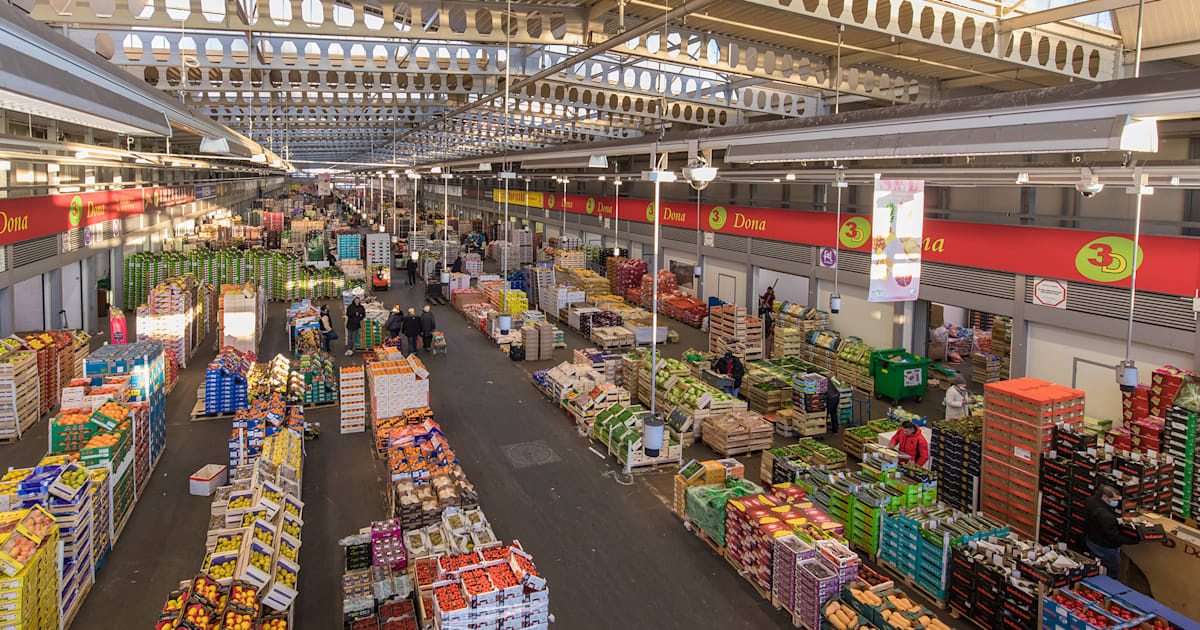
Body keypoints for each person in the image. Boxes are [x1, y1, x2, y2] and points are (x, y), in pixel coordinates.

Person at [1085, 485, 1138, 579]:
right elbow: (1114, 536)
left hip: (1092, 540)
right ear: (1104, 497)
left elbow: (1102, 521)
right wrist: (1135, 540)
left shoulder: (1092, 500)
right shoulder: (1104, 515)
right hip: (1105, 547)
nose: (1116, 502)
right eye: (1114, 500)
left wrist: (1119, 520)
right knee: (1112, 571)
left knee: (1095, 567)